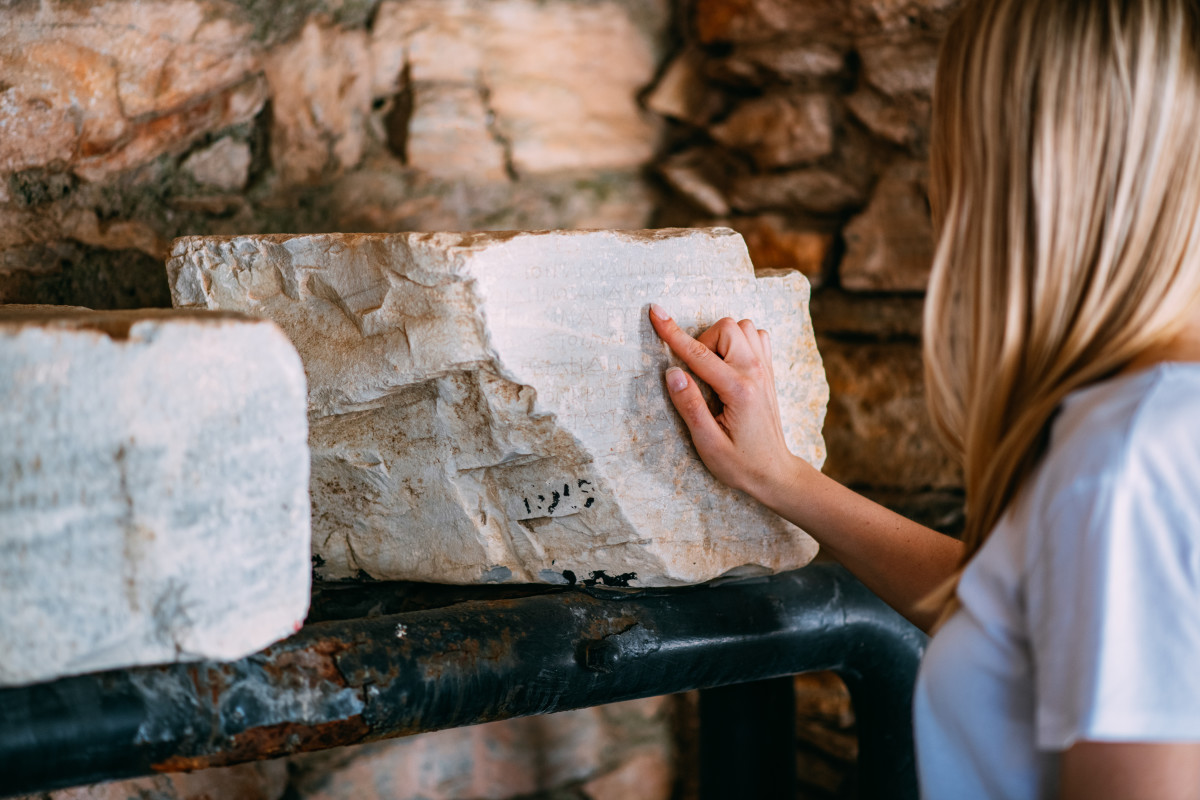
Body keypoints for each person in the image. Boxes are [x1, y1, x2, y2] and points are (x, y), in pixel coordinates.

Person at [648, 0, 1200, 797]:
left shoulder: (1126, 461)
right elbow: (1019, 619)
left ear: (1026, 167)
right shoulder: (1158, 429)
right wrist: (783, 479)